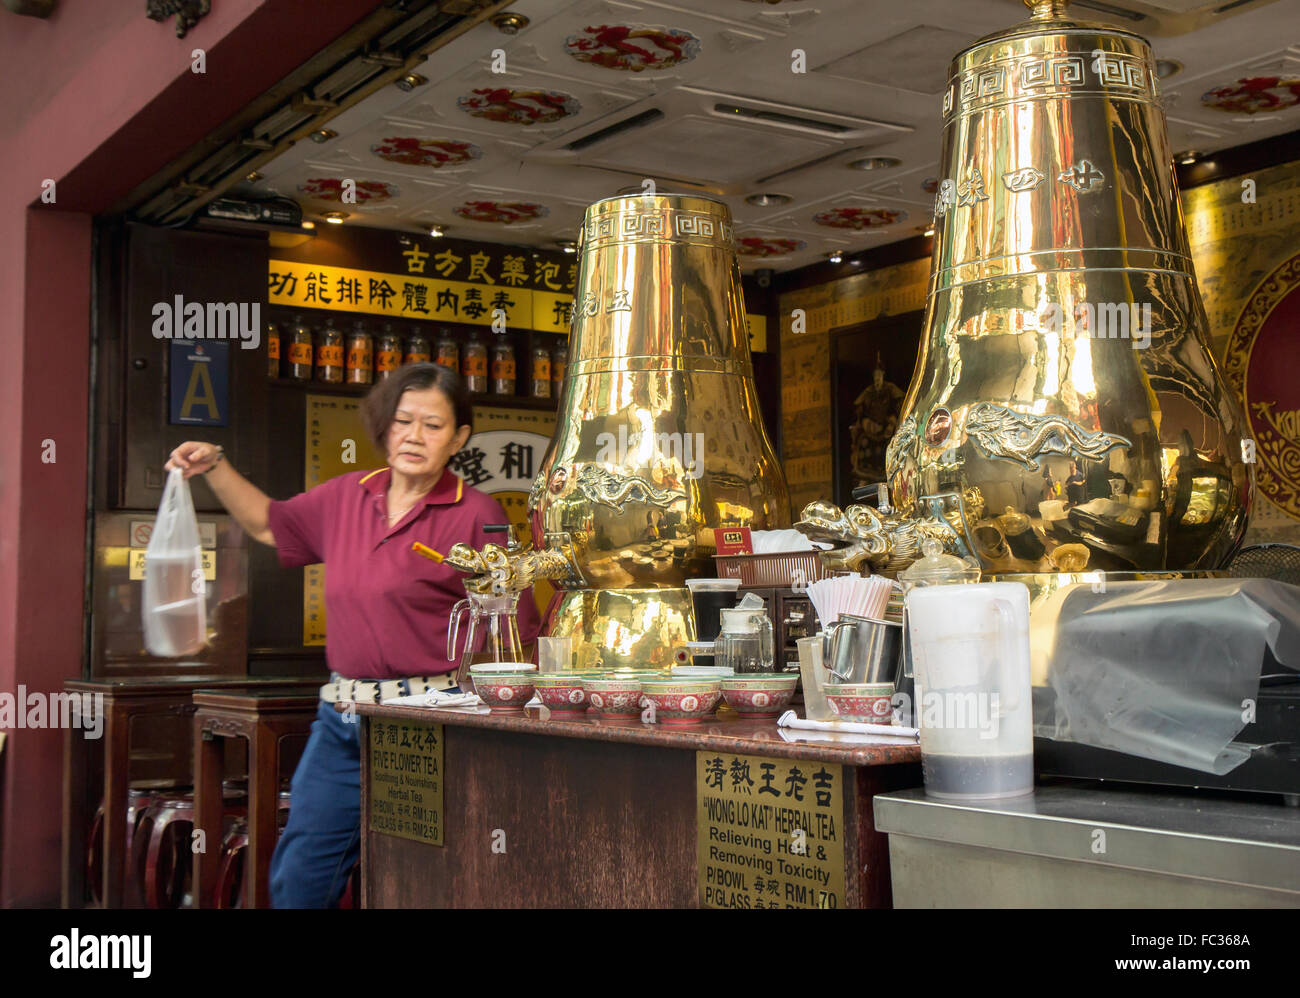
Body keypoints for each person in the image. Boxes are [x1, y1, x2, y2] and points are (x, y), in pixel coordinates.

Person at [165, 362, 540, 907]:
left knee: (424, 880)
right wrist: (215, 464)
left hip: (431, 723)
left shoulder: (477, 515)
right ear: (385, 425)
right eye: (403, 420)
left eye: (432, 426)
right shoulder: (346, 496)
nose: (413, 436)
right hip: (341, 719)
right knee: (300, 878)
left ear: (459, 437)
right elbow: (271, 524)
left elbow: (513, 630)